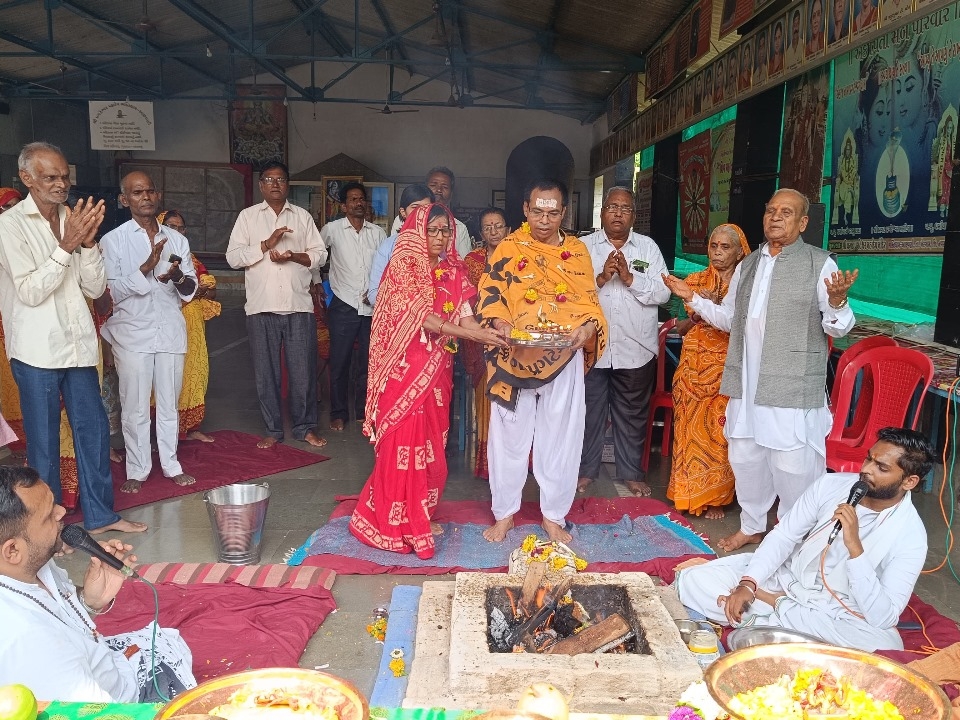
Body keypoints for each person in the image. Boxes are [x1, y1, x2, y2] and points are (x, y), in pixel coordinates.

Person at [662, 189, 858, 552]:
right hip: (747, 383)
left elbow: (839, 328)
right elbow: (730, 319)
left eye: (787, 212)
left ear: (803, 222)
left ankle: (796, 536)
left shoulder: (819, 264)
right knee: (746, 458)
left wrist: (837, 301)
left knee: (793, 465)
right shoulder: (748, 265)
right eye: (771, 211)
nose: (776, 217)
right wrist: (692, 298)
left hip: (790, 384)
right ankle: (752, 526)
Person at [676, 428, 933, 652]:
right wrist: (748, 584)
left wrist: (855, 547)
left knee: (884, 643)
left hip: (838, 608)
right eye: (869, 458)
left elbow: (883, 617)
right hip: (790, 580)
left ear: (909, 481)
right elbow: (784, 535)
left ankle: (768, 613)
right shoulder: (830, 485)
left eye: (881, 468)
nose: (866, 470)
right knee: (694, 581)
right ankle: (783, 628)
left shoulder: (911, 537)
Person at [0, 142, 144, 535]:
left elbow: (94, 288)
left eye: (64, 176)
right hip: (36, 351)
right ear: (27, 179)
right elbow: (30, 291)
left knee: (93, 433)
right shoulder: (10, 226)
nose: (61, 184)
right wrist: (66, 247)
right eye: (50, 177)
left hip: (78, 347)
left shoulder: (73, 220)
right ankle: (46, 530)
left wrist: (89, 244)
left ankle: (101, 517)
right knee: (44, 446)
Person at [349, 204, 506, 559]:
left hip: (437, 372)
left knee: (431, 445)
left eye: (444, 231)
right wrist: (477, 337)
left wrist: (489, 333)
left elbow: (465, 318)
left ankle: (418, 512)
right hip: (401, 373)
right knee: (401, 447)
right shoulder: (404, 269)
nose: (438, 237)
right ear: (417, 232)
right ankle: (391, 518)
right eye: (431, 230)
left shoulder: (455, 272)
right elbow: (427, 320)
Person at [477, 180, 608, 544]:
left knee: (561, 437)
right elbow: (491, 293)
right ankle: (504, 514)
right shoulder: (508, 247)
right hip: (513, 358)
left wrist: (586, 329)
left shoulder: (578, 251)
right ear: (525, 210)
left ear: (564, 212)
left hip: (563, 358)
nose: (544, 221)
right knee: (508, 438)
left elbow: (590, 304)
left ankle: (554, 516)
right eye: (537, 212)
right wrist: (500, 323)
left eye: (552, 214)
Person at [0, 466, 195, 701]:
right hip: (111, 706)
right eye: (48, 515)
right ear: (12, 550)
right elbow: (95, 712)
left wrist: (90, 601)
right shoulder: (28, 640)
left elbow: (60, 617)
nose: (61, 511)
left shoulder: (29, 564)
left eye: (54, 503)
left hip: (109, 666)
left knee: (169, 643)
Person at [100, 173, 198, 494]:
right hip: (131, 334)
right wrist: (145, 269)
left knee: (169, 404)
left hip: (169, 331)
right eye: (137, 192)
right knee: (135, 407)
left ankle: (171, 464)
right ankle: (138, 469)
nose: (145, 197)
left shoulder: (177, 239)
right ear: (124, 199)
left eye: (150, 191)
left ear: (159, 196)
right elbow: (109, 293)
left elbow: (190, 288)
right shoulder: (113, 240)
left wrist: (176, 277)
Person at [226, 161, 328, 449]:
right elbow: (233, 258)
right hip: (261, 308)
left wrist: (294, 256)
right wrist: (266, 244)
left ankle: (305, 428)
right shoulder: (248, 217)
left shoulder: (302, 217)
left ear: (287, 184)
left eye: (280, 179)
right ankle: (272, 430)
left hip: (298, 306)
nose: (275, 184)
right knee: (265, 374)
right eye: (269, 179)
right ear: (261, 185)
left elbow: (320, 255)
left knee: (303, 373)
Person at [578, 188, 669, 498]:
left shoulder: (648, 248)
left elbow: (663, 293)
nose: (618, 213)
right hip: (591, 348)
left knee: (631, 416)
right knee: (587, 413)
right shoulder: (583, 247)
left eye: (625, 208)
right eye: (612, 207)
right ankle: (585, 471)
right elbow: (569, 293)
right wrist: (601, 278)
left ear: (634, 215)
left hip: (635, 348)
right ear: (602, 212)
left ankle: (631, 474)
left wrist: (630, 278)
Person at [667, 225, 749, 519]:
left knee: (721, 432)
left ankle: (717, 498)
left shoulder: (747, 287)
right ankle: (688, 494)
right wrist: (699, 311)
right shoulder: (694, 282)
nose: (717, 252)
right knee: (688, 432)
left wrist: (716, 307)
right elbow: (679, 328)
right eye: (713, 246)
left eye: (725, 247)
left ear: (740, 252)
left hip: (727, 371)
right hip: (692, 372)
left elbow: (746, 327)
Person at [321, 181, 385, 431]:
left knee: (368, 362)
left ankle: (362, 411)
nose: (358, 203)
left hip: (371, 307)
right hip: (343, 304)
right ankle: (338, 413)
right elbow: (316, 256)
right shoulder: (332, 230)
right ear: (344, 206)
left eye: (361, 199)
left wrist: (376, 291)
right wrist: (316, 282)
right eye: (353, 199)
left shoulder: (377, 233)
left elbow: (384, 268)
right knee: (340, 361)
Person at [158, 210, 220, 443]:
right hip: (164, 323)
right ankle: (160, 433)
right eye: (170, 226)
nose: (176, 231)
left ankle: (192, 427)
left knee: (194, 372)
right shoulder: (152, 255)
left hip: (192, 326)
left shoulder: (191, 259)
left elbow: (212, 291)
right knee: (164, 376)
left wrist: (200, 291)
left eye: (180, 227)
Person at [462, 207, 509, 480]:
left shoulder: (519, 257)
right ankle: (488, 463)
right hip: (480, 335)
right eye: (488, 227)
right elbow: (465, 300)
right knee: (488, 398)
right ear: (481, 233)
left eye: (498, 226)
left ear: (507, 229)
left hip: (512, 338)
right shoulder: (472, 260)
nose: (494, 232)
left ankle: (515, 462)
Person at [368, 183, 435, 306]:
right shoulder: (389, 246)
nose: (421, 213)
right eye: (415, 207)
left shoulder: (439, 245)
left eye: (427, 208)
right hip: (398, 315)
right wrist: (411, 308)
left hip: (436, 315)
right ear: (403, 212)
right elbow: (373, 295)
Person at [836, 137, 859, 227]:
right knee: (847, 191)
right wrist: (845, 180)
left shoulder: (853, 160)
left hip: (851, 183)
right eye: (847, 150)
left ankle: (846, 215)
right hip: (844, 184)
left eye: (849, 150)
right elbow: (841, 172)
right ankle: (844, 216)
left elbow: (854, 172)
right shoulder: (842, 161)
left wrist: (851, 179)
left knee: (849, 193)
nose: (848, 152)